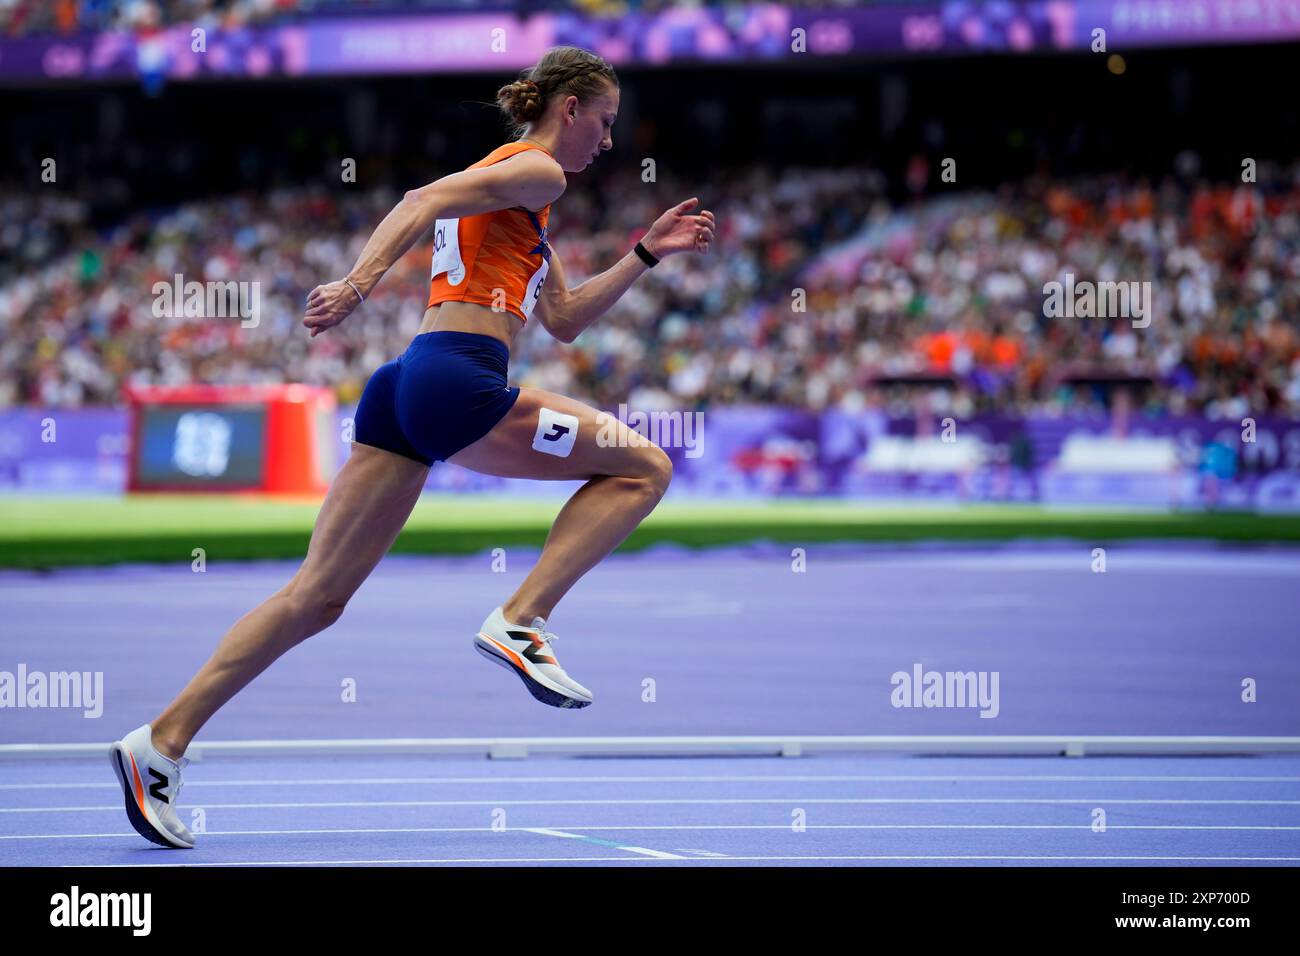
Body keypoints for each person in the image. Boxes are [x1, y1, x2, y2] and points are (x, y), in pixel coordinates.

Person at [108, 45, 716, 848]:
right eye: (604, 122)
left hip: (405, 388)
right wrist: (357, 286)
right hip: (458, 381)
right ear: (569, 110)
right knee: (647, 466)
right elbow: (418, 198)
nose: (608, 141)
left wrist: (644, 254)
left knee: (316, 599)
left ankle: (160, 744)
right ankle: (523, 620)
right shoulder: (540, 172)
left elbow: (564, 319)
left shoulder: (522, 196)